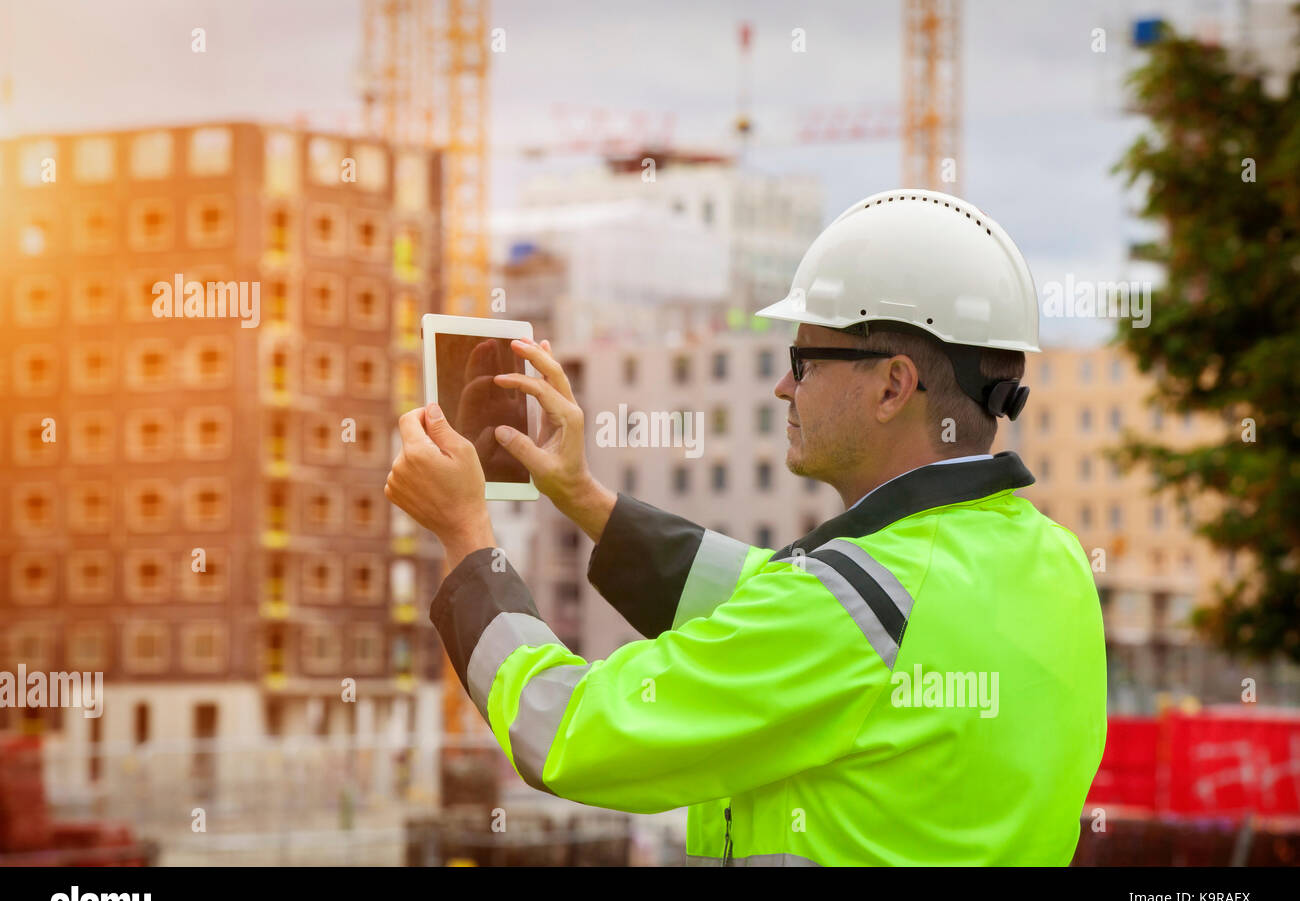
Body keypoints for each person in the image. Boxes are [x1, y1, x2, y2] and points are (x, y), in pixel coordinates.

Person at [384, 187, 1107, 865]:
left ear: (893, 386)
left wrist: (466, 538)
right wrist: (580, 496)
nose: (783, 385)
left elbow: (565, 728)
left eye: (805, 360)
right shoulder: (1052, 563)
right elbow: (771, 596)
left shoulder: (852, 607)